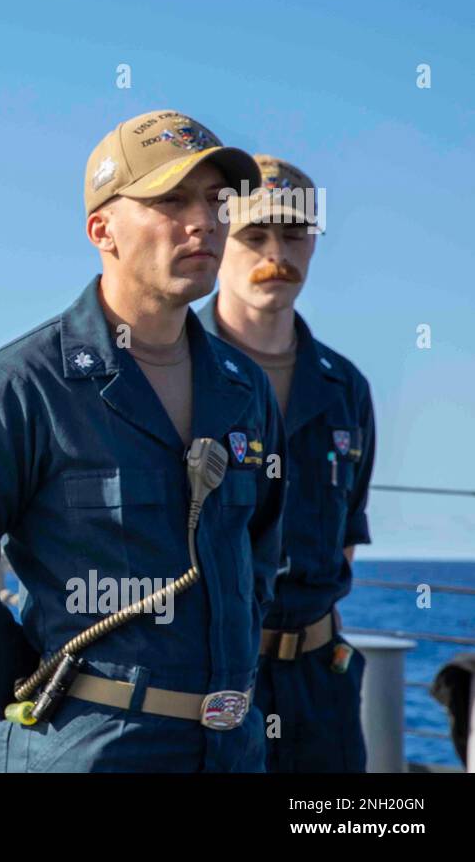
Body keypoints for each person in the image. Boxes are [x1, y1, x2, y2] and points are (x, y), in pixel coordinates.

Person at [0, 110, 285, 771]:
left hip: (229, 750)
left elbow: (259, 561)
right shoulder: (20, 385)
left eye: (218, 202)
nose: (206, 222)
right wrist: (35, 698)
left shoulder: (243, 389)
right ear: (102, 229)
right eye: (171, 200)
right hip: (87, 752)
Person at [200, 154, 374, 771]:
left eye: (295, 233)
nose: (278, 251)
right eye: (255, 234)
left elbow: (347, 532)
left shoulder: (344, 387)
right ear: (220, 242)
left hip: (319, 685)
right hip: (210, 679)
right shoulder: (173, 373)